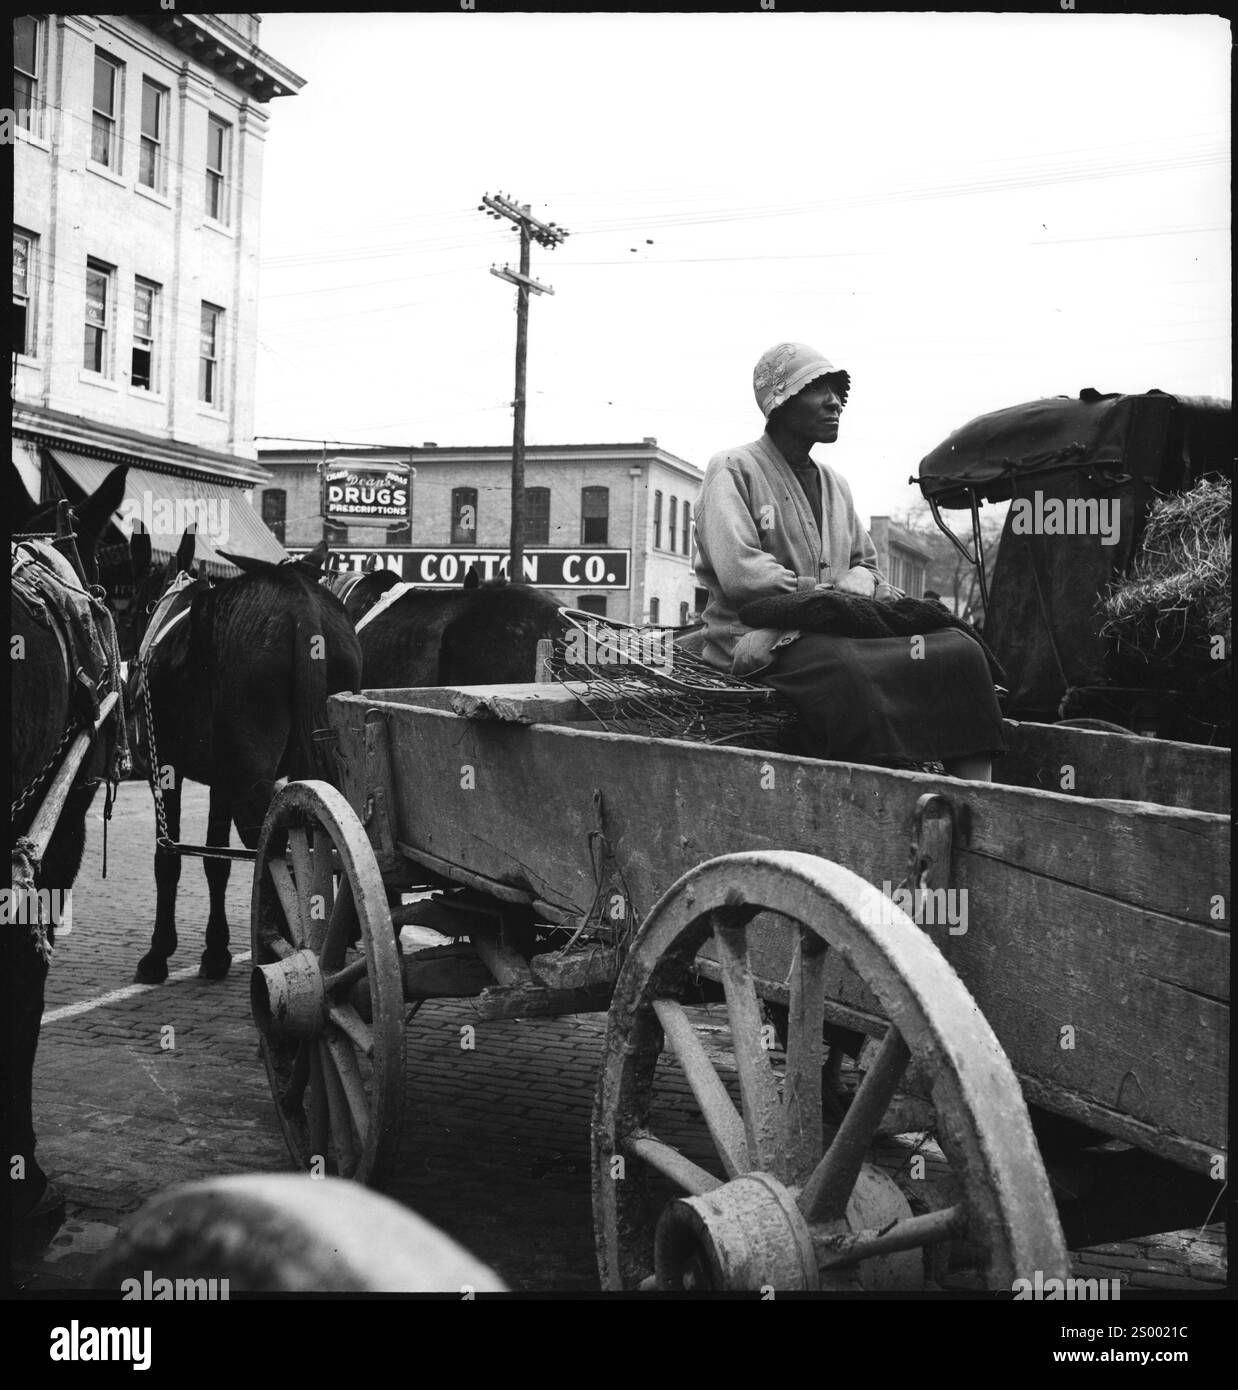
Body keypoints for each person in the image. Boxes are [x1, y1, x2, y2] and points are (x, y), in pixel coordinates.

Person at [693, 341, 1005, 779]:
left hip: (836, 627)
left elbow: (868, 566)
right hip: (756, 638)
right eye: (817, 388)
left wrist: (862, 576)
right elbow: (744, 576)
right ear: (779, 401)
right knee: (847, 669)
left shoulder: (835, 484)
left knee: (960, 651)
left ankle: (977, 800)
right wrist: (830, 591)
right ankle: (885, 792)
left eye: (838, 391)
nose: (835, 401)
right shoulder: (732, 468)